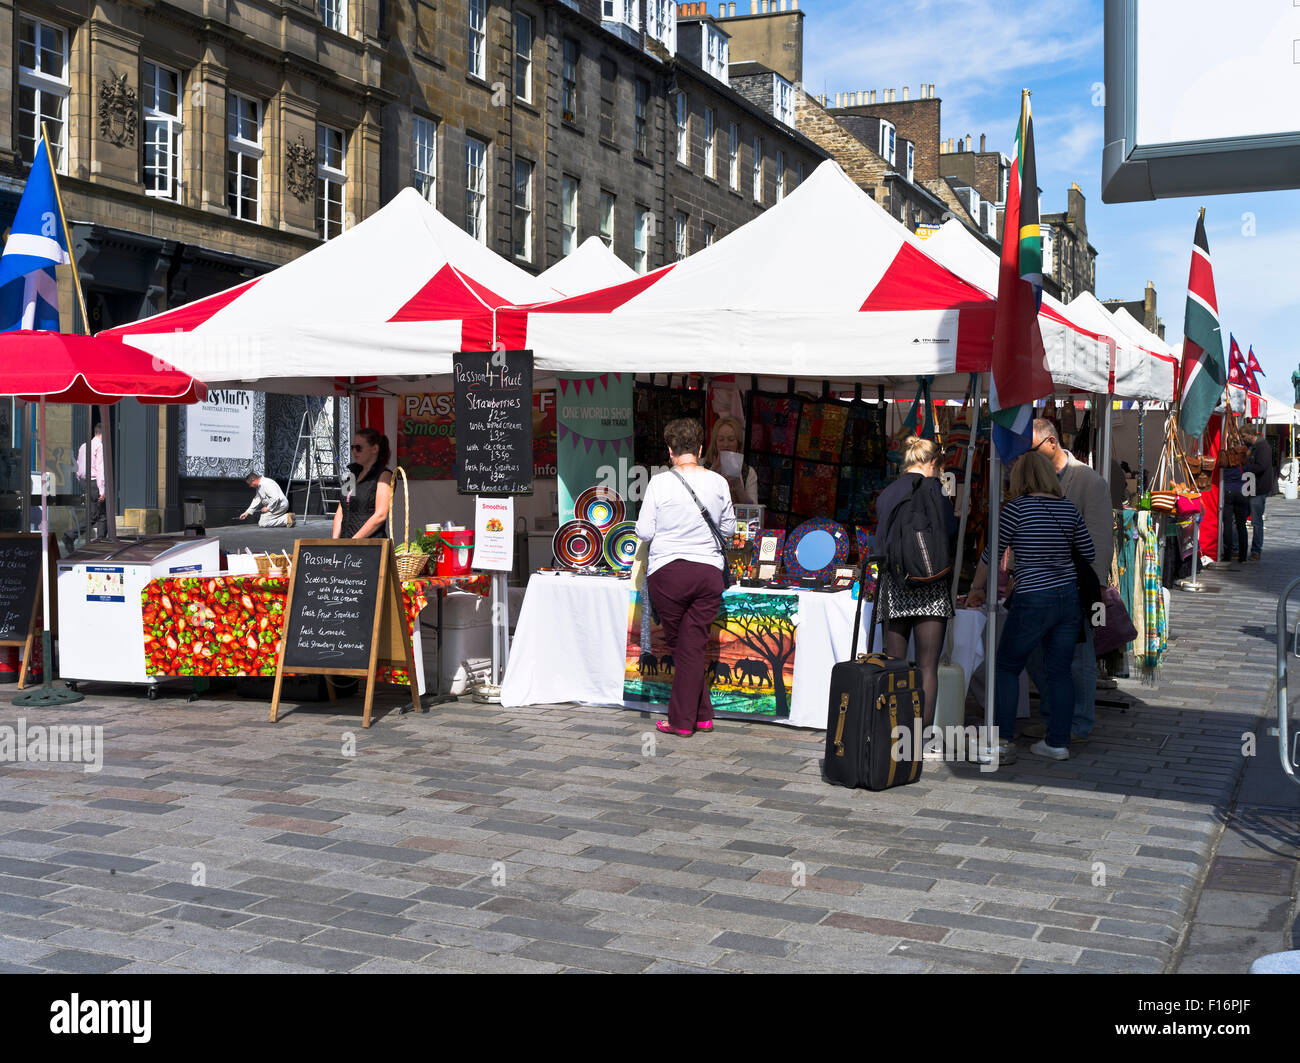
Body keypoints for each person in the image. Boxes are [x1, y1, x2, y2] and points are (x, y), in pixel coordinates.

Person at [966, 450, 1095, 764]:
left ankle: (1002, 743)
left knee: (1008, 667)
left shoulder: (1017, 508)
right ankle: (1058, 743)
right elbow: (1088, 553)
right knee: (1060, 672)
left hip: (1033, 597)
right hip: (1067, 598)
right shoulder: (1067, 508)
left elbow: (991, 554)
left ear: (1020, 478)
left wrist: (975, 588)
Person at [635, 418, 736, 737]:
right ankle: (703, 715)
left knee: (686, 647)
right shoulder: (719, 482)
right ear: (702, 448)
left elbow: (644, 531)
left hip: (668, 574)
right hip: (708, 573)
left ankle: (680, 722)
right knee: (689, 647)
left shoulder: (658, 483)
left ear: (670, 451)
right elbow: (730, 529)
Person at [1022, 419, 1113, 742]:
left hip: (1075, 583)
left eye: (1030, 450)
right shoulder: (1033, 478)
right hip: (1037, 583)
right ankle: (1054, 717)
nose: (1026, 457)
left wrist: (1097, 585)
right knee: (1034, 653)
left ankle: (1078, 722)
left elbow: (1101, 538)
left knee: (1077, 656)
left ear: (1050, 444)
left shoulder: (1088, 480)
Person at [873, 436, 957, 753]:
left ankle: (892, 733)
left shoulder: (888, 493)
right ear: (933, 463)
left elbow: (880, 541)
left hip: (895, 586)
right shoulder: (936, 489)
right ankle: (919, 740)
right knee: (927, 667)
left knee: (893, 664)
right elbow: (949, 532)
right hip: (932, 586)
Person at [333, 428, 392, 539]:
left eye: (359, 448)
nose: (354, 451)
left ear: (374, 449)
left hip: (369, 545)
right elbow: (341, 509)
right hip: (346, 542)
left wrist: (354, 541)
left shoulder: (384, 475)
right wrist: (334, 541)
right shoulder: (351, 473)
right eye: (352, 448)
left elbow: (381, 515)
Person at [703, 416, 758, 504]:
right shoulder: (700, 466)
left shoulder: (748, 473)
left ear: (738, 444)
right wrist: (712, 472)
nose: (726, 445)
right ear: (715, 443)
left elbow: (754, 513)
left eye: (731, 440)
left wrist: (739, 488)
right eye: (721, 440)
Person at [1242, 425, 1274, 560]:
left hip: (1258, 488)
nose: (1243, 439)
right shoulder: (1254, 447)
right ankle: (1240, 549)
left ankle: (1256, 550)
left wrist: (1245, 468)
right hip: (1250, 486)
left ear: (1250, 434)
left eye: (1244, 436)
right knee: (1242, 518)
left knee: (1256, 521)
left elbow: (1261, 466)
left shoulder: (1263, 447)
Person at [75, 423, 107, 540]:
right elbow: (100, 469)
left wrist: (81, 481)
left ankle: (100, 540)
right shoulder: (100, 446)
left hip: (84, 482)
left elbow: (78, 466)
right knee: (101, 515)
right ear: (103, 434)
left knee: (96, 514)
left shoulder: (84, 446)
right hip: (94, 483)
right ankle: (101, 541)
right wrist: (102, 490)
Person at [1222, 454, 1249, 564]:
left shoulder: (1225, 461)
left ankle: (1227, 554)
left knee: (1228, 525)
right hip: (1242, 492)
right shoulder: (1243, 462)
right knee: (1241, 525)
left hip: (1228, 491)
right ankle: (1243, 556)